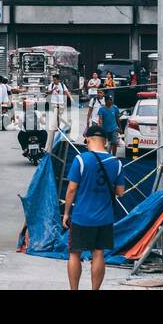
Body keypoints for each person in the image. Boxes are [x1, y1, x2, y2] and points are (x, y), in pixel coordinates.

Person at [62, 123, 125, 290]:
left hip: (82, 217)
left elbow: (71, 189)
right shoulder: (116, 163)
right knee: (99, 253)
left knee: (75, 253)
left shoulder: (81, 160)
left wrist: (66, 213)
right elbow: (120, 192)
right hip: (104, 218)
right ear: (104, 141)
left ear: (88, 140)